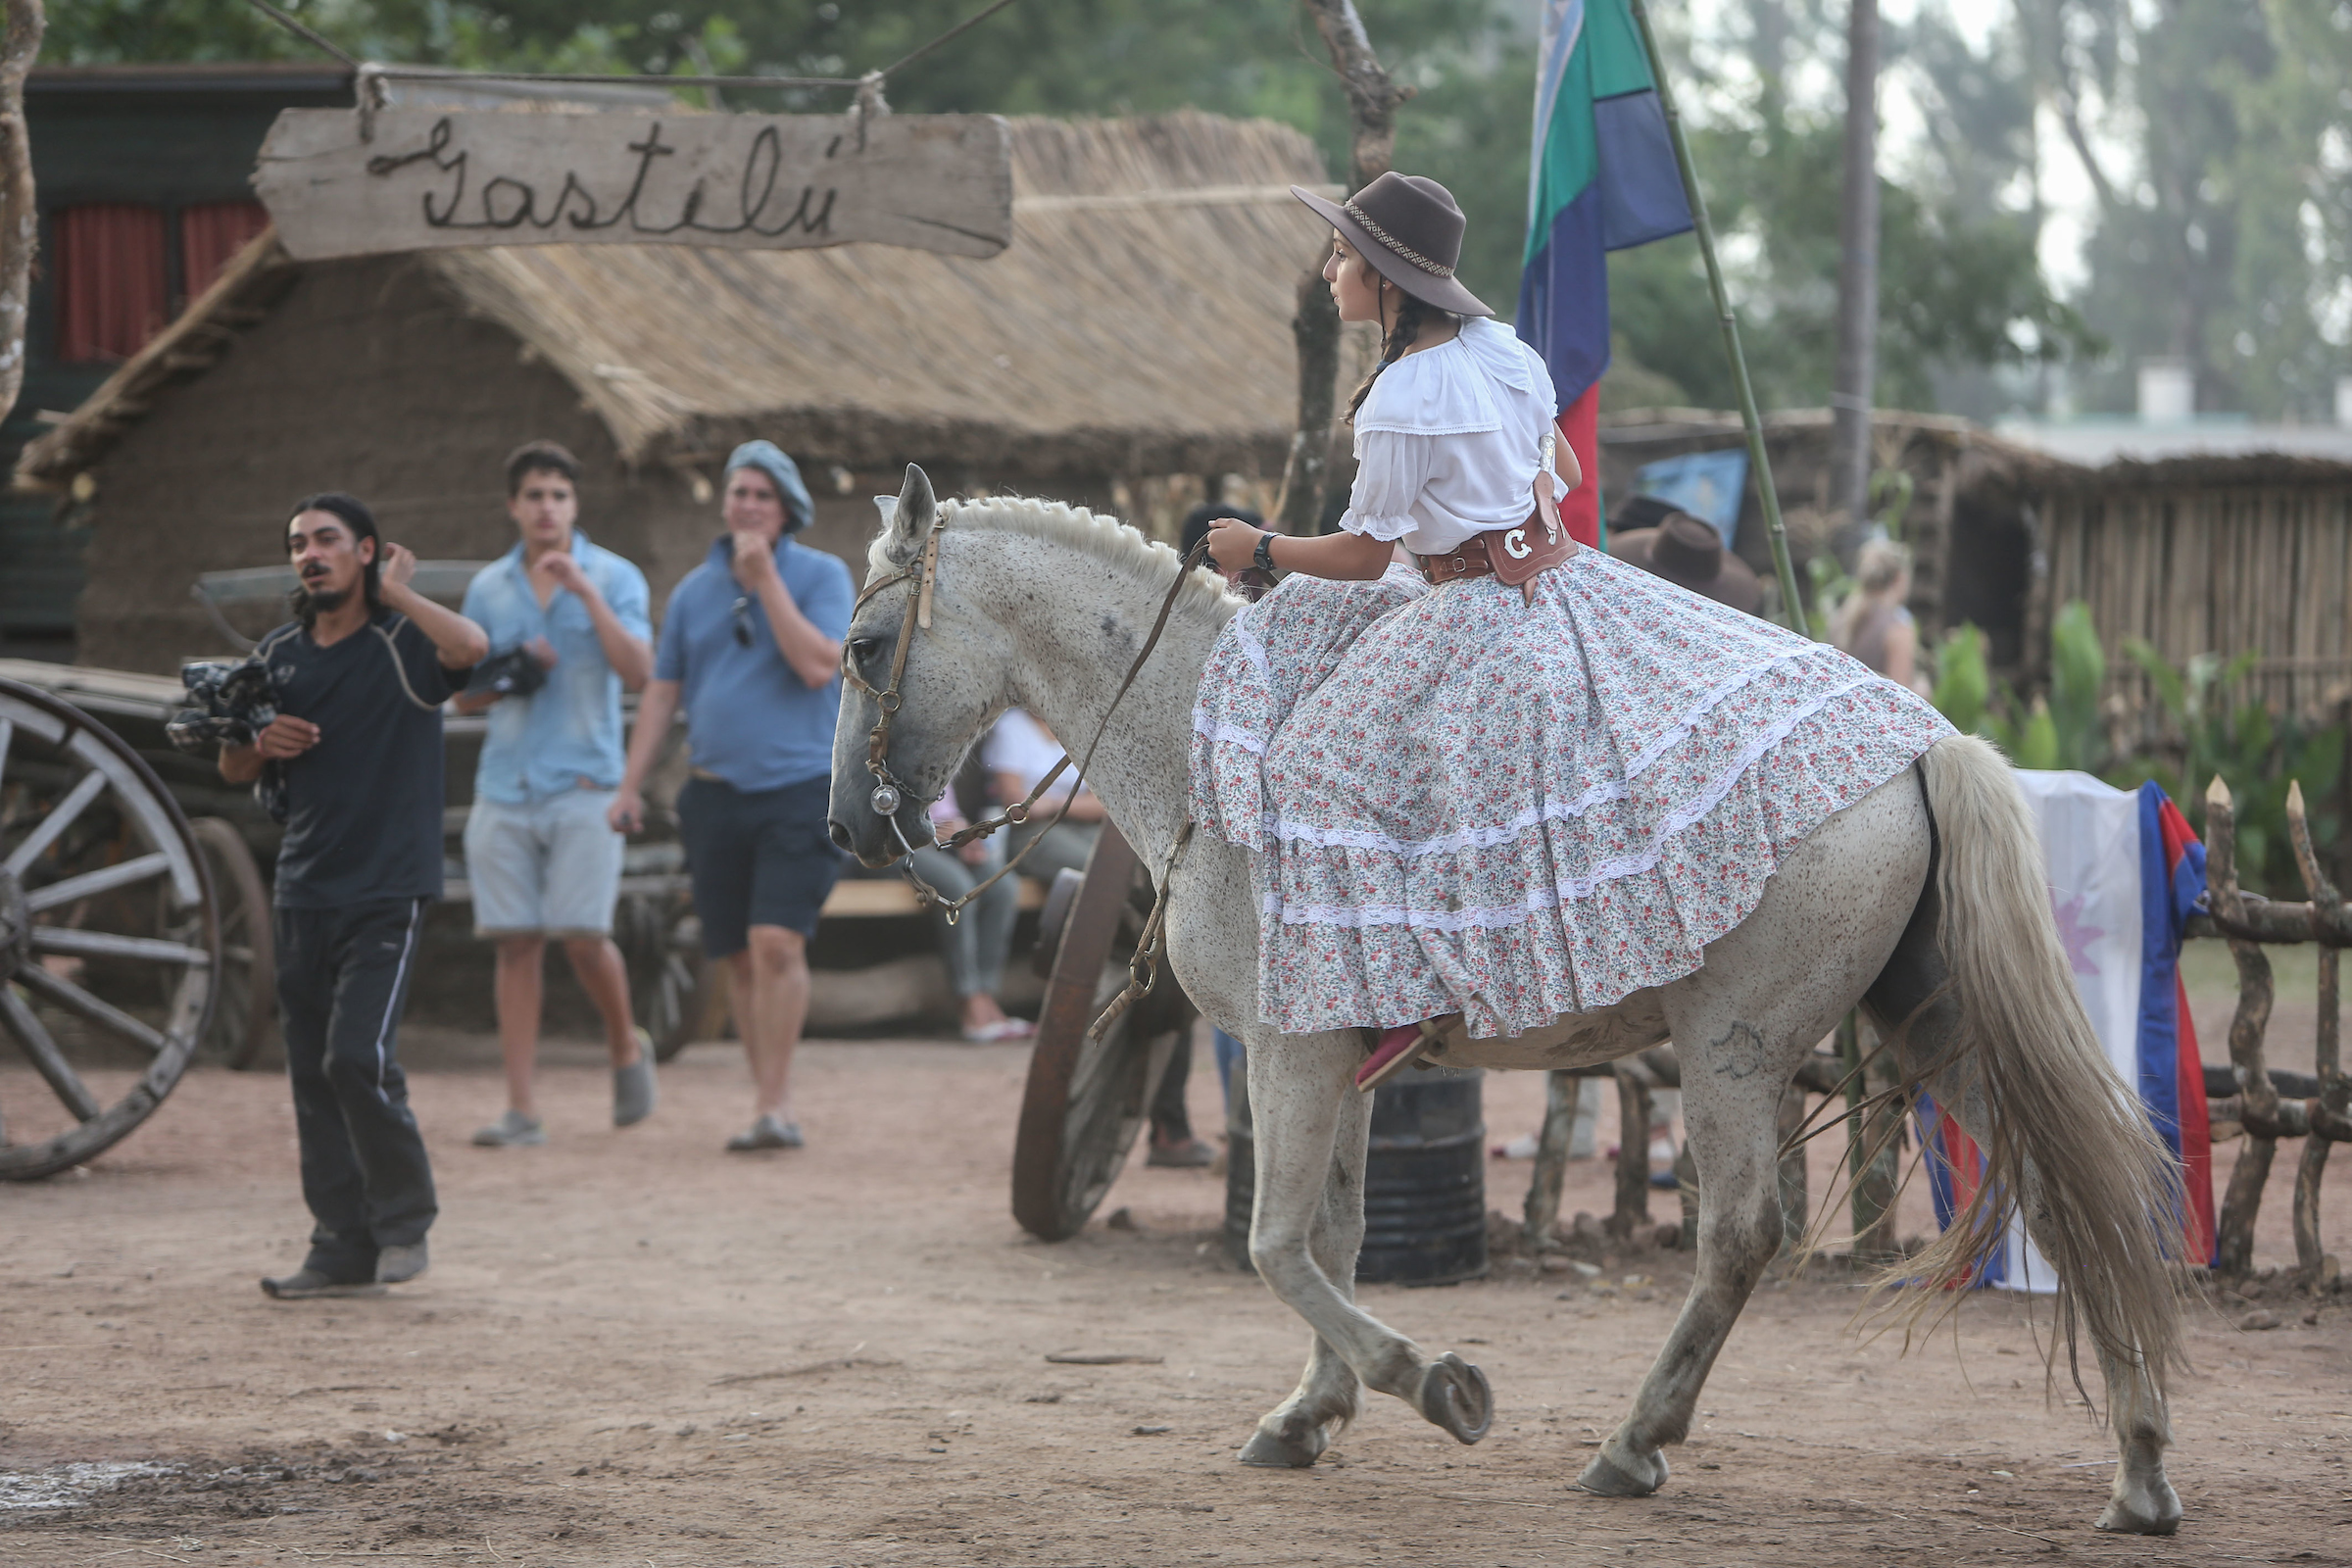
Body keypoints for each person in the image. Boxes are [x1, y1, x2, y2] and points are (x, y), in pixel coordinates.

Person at [1196, 172, 1950, 1090]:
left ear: (1390, 280)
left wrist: (1260, 543)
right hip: (1556, 583)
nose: (1329, 268)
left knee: (1309, 761)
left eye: (1344, 254)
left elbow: (1361, 555)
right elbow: (1562, 460)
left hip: (1469, 612)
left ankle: (1393, 999)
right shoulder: (1503, 351)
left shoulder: (1402, 396)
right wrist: (1487, 504)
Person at [225, 492, 489, 1299]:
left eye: (328, 540)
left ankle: (404, 1221)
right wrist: (258, 743)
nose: (310, 553)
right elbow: (234, 769)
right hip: (303, 890)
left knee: (355, 1057)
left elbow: (474, 646)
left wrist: (400, 593)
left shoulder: (402, 641)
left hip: (387, 889)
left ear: (366, 551)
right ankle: (339, 1245)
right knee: (311, 1071)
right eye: (298, 542)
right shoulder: (275, 656)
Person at [610, 441, 852, 1152]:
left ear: (787, 511)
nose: (746, 504)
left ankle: (777, 1105)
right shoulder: (691, 592)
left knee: (776, 941)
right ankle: (762, 1098)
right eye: (738, 491)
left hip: (799, 790)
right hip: (712, 796)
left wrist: (764, 581)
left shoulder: (821, 574)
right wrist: (630, 783)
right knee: (739, 958)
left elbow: (817, 667)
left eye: (762, 495)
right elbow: (662, 691)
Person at [457, 441, 658, 1148]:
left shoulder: (615, 575)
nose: (547, 508)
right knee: (515, 945)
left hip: (585, 785)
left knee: (582, 937)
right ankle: (520, 1109)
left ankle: (624, 1045)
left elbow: (640, 671)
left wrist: (585, 594)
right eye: (534, 495)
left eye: (559, 495)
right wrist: (513, 668)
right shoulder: (488, 589)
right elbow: (465, 698)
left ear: (576, 506)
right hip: (504, 786)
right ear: (513, 507)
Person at [911, 775, 1032, 1043]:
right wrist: (942, 833)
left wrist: (964, 836)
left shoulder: (930, 750)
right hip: (893, 847)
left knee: (1002, 885)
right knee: (958, 887)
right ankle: (969, 1004)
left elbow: (946, 812)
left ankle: (987, 996)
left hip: (940, 840)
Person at [985, 708, 1103, 888]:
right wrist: (1078, 805)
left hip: (1080, 825)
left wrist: (1053, 804)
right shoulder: (1012, 726)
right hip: (1032, 832)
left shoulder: (1081, 726)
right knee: (1094, 866)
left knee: (1126, 859)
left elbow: (1102, 807)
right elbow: (1016, 806)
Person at [1834, 536, 1931, 696]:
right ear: (1901, 578)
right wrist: (1921, 691)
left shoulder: (1842, 619)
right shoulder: (1898, 630)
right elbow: (1899, 698)